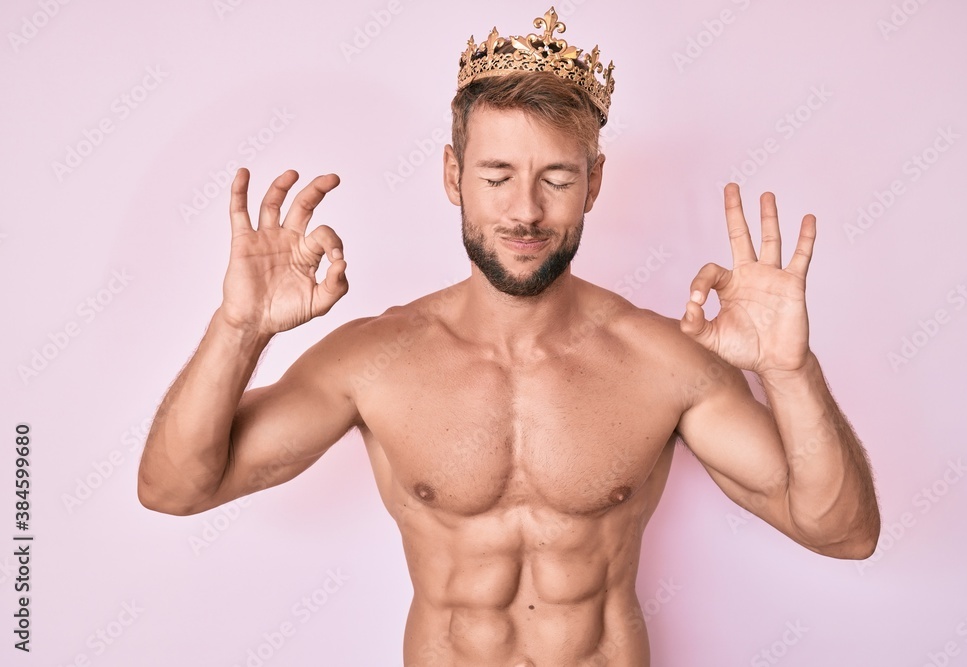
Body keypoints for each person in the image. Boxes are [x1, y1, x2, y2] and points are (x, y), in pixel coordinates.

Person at [138, 8, 880, 665]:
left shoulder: (666, 362)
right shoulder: (373, 361)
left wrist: (790, 371)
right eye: (497, 175)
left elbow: (842, 532)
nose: (525, 210)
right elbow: (174, 488)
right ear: (453, 175)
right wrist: (238, 330)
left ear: (593, 183)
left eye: (556, 178)